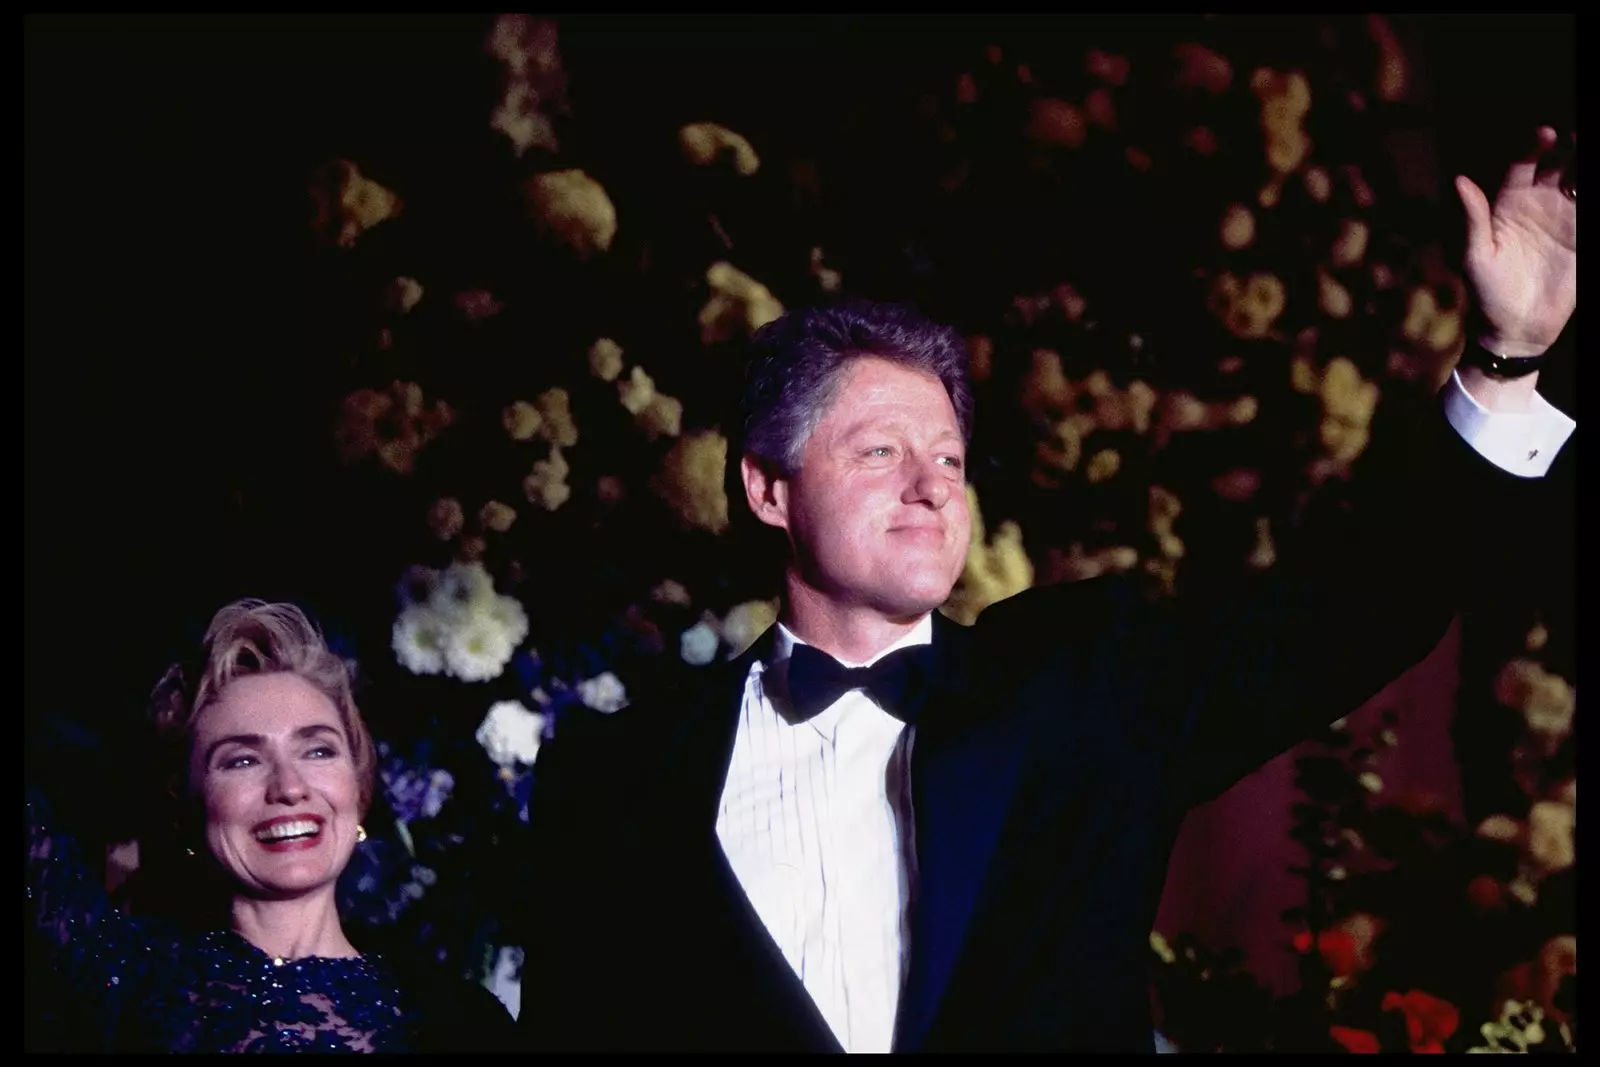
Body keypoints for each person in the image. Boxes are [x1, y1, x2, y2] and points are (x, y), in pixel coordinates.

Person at [513, 123, 1575, 1053]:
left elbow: (1356, 607)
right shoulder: (613, 779)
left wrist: (1503, 359)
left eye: (949, 458)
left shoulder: (1083, 686)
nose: (931, 484)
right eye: (881, 451)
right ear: (767, 484)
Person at [24, 599, 517, 1052]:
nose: (289, 786)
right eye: (241, 760)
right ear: (187, 803)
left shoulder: (459, 1021)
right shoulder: (118, 976)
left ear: (358, 787)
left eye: (319, 750)